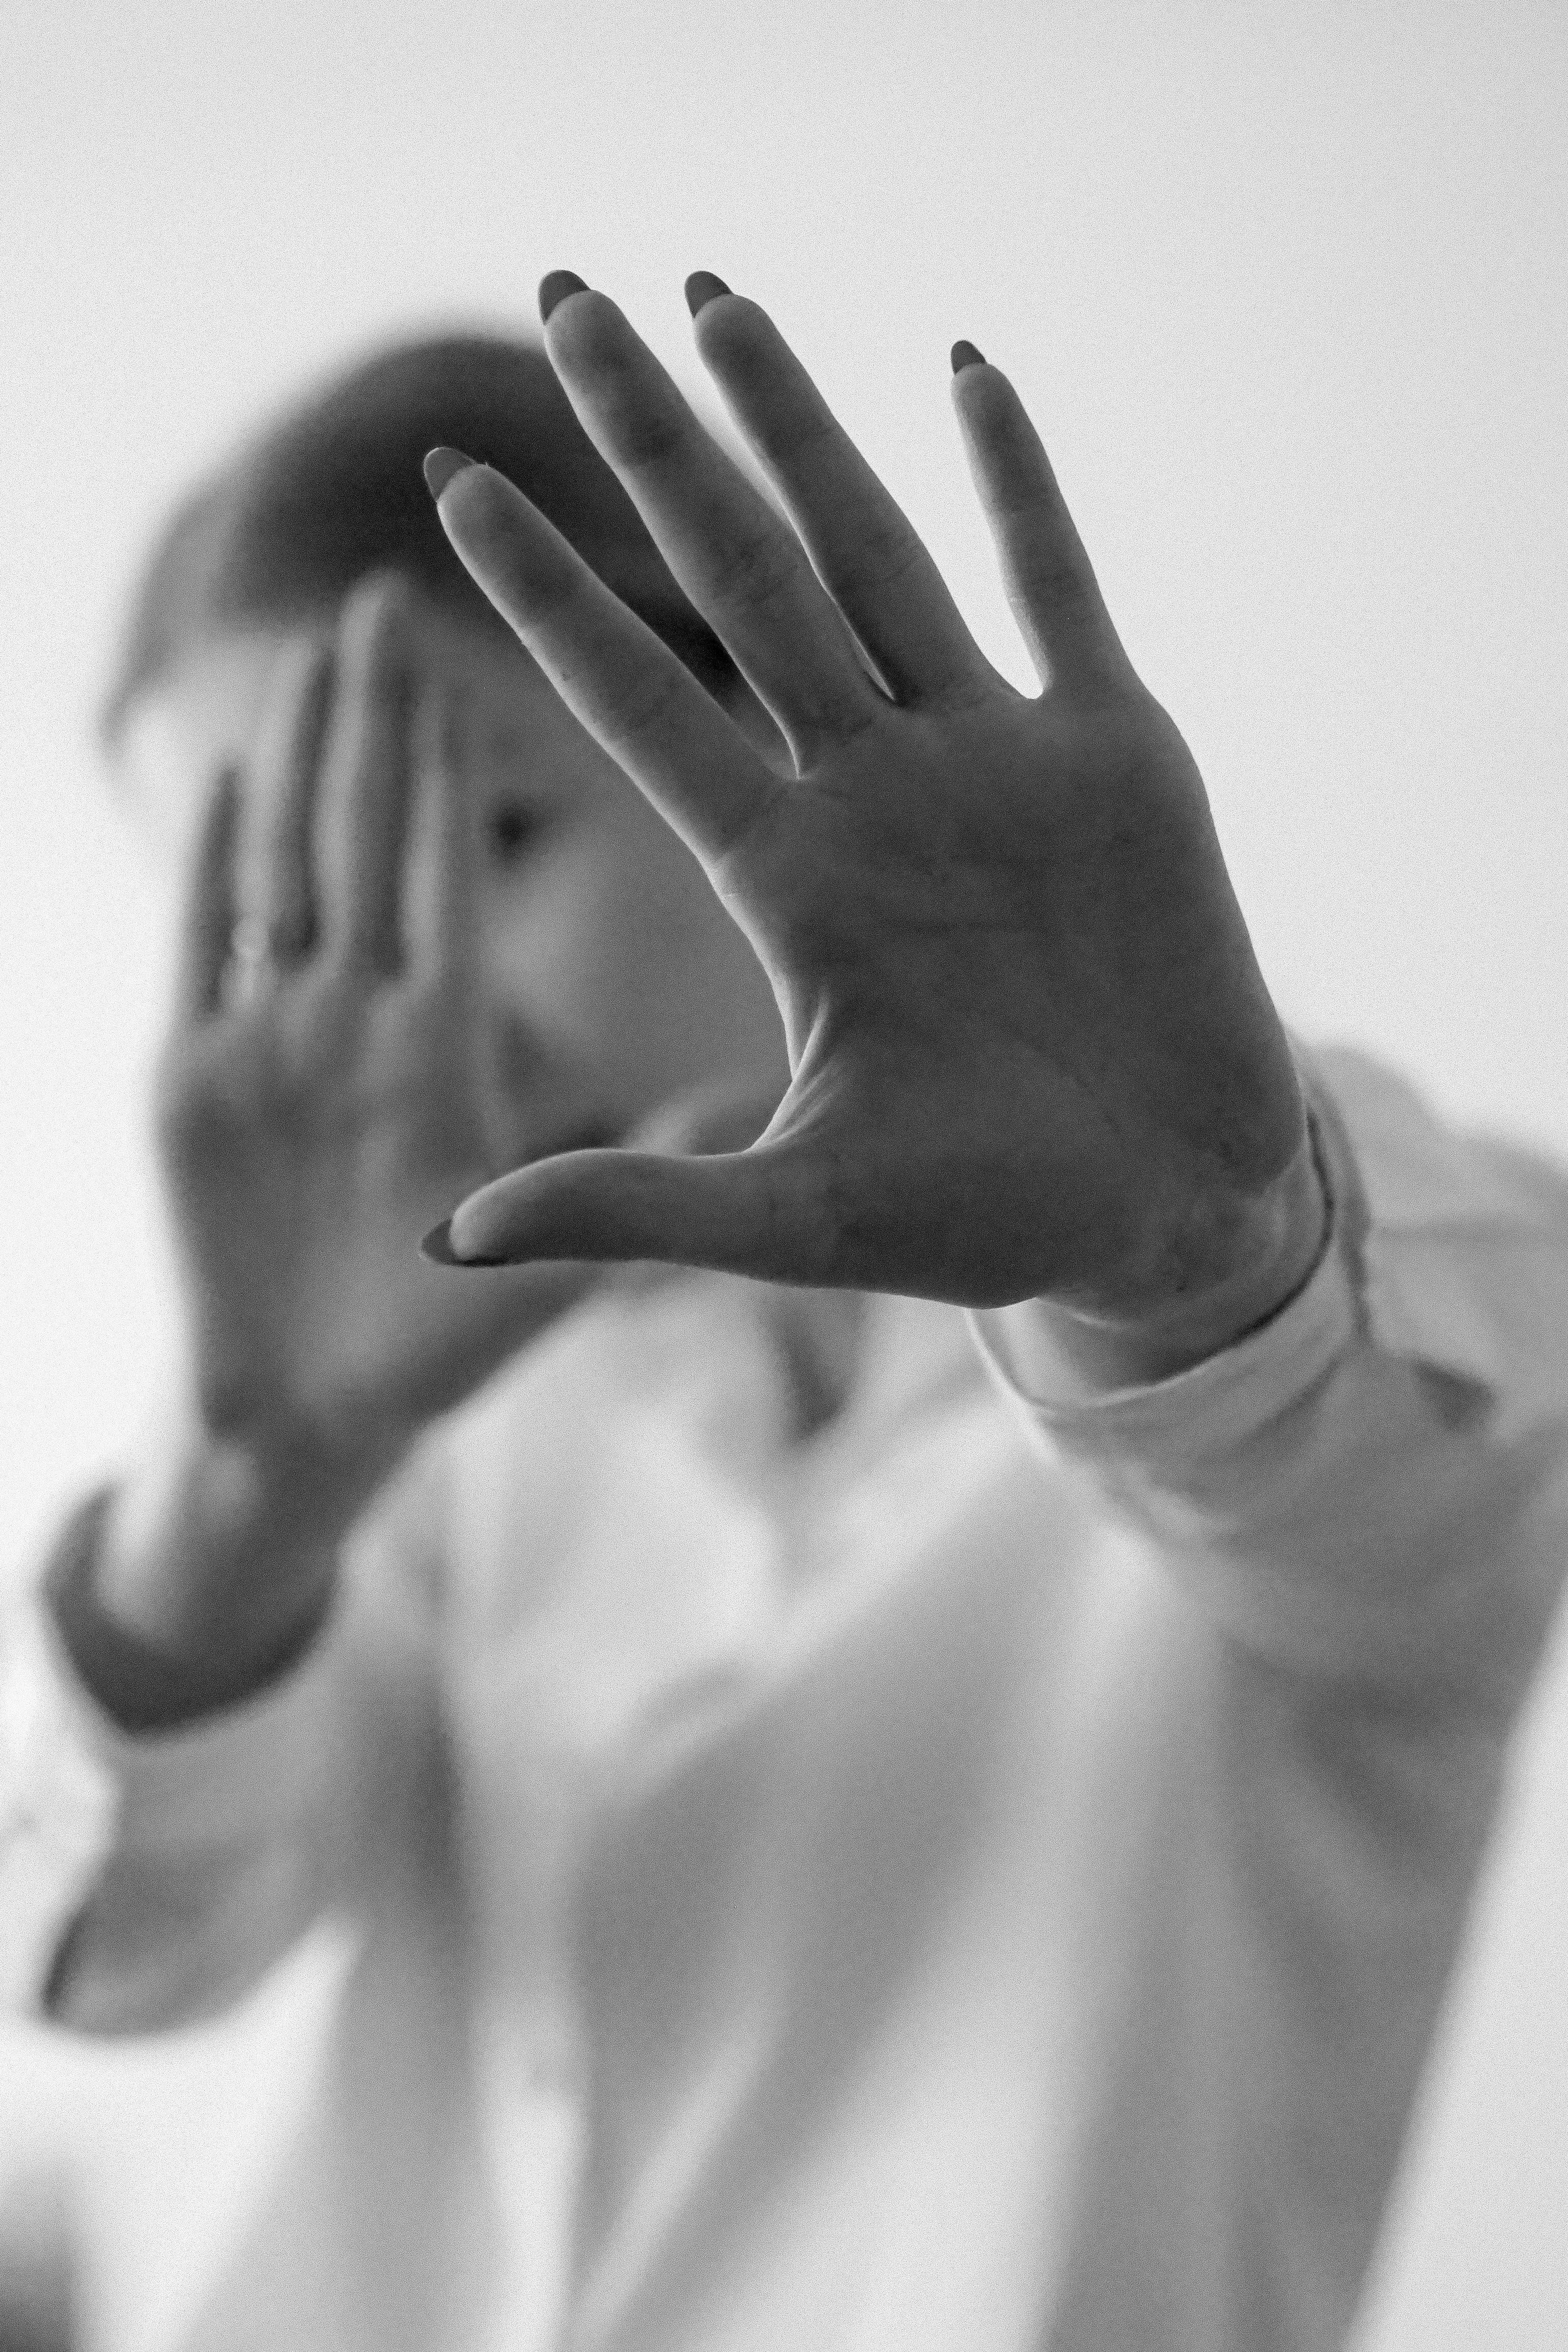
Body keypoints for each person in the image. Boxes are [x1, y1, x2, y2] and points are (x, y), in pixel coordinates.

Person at [2, 269, 1565, 2352]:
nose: (421, 1010)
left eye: (484, 834)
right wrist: (252, 1474)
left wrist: (1199, 1254)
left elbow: (1376, 1426)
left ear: (767, 719)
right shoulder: (419, 1441)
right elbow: (119, 1946)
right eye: (308, 934)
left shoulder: (1367, 1256)